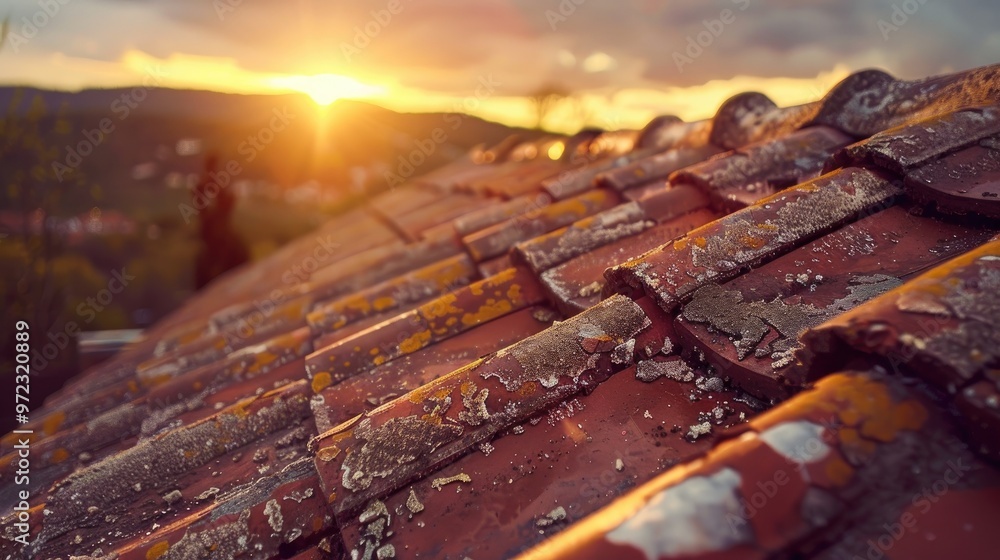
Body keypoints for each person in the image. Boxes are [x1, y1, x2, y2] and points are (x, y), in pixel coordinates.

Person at [193, 152, 249, 289]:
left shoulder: (211, 183)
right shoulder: (208, 183)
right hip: (215, 235)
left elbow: (223, 204)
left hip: (216, 234)